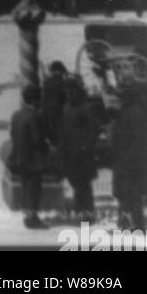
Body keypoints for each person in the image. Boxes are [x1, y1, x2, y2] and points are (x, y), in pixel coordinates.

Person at [110, 82, 147, 229]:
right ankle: (128, 222)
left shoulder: (133, 112)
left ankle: (135, 224)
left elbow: (137, 138)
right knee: (127, 192)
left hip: (130, 160)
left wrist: (129, 157)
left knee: (131, 193)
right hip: (127, 158)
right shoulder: (131, 111)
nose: (120, 100)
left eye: (122, 97)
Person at [9, 84, 50, 229]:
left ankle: (28, 215)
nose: (40, 101)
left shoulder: (16, 115)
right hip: (33, 160)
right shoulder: (34, 117)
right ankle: (32, 219)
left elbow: (13, 135)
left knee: (26, 187)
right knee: (34, 189)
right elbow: (38, 140)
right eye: (39, 99)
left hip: (19, 158)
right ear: (34, 100)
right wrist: (47, 147)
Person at [59, 79, 99, 220]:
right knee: (74, 179)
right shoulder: (66, 107)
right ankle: (79, 204)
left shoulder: (86, 107)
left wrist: (86, 146)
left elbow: (94, 129)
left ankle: (88, 212)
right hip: (69, 151)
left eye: (71, 92)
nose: (69, 95)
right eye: (67, 92)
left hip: (82, 153)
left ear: (77, 92)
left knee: (84, 182)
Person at [41, 61, 68, 144]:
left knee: (52, 138)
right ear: (60, 71)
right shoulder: (64, 83)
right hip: (59, 114)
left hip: (47, 114)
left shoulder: (46, 83)